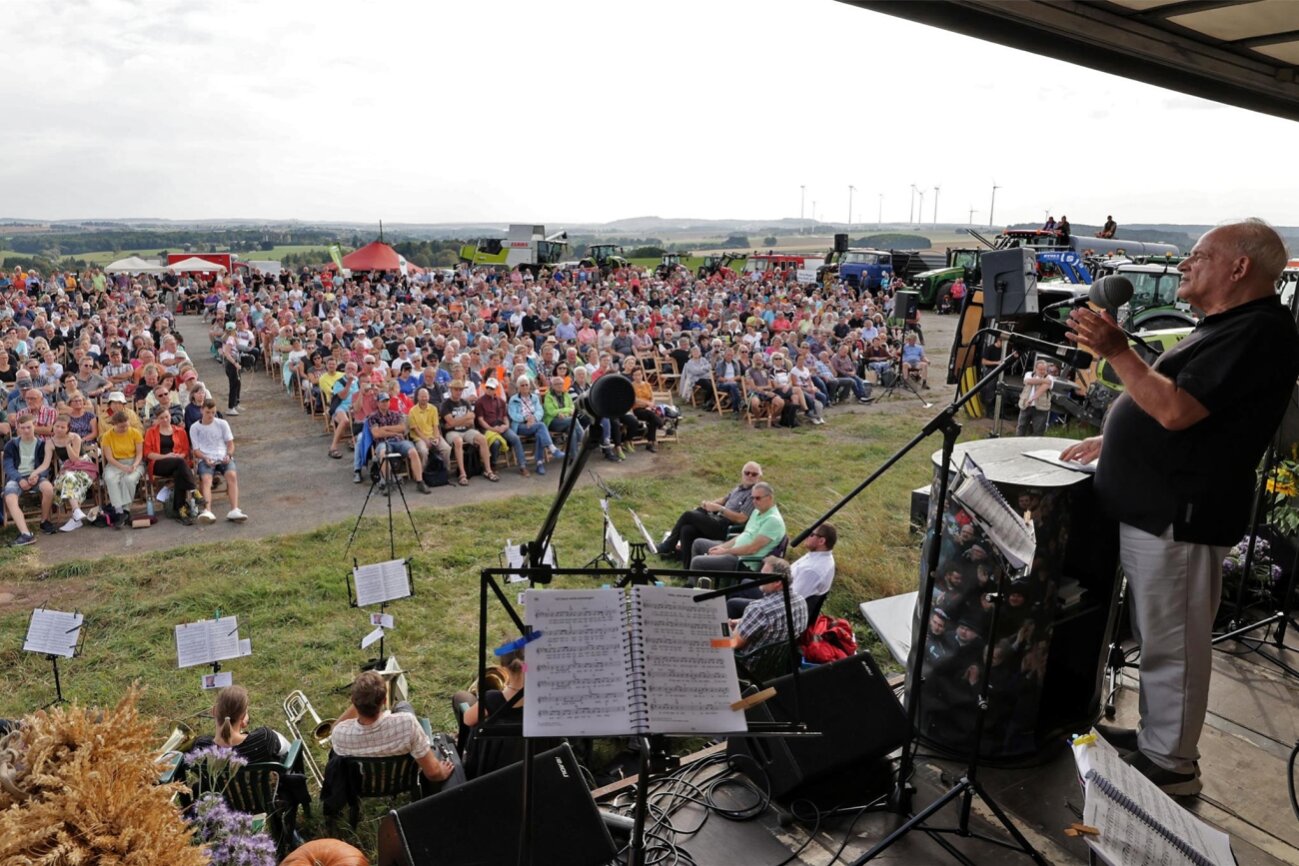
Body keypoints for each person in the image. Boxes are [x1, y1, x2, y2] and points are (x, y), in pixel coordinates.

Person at [1060, 219, 1299, 795]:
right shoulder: (1227, 325)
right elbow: (1172, 407)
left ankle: (1172, 765)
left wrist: (1117, 350)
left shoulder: (1259, 331)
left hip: (1181, 513)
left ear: (1240, 267)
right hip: (1157, 506)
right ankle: (1155, 740)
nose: (1185, 264)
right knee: (1157, 635)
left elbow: (1177, 412)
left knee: (1174, 645)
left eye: (1198, 255)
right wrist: (1113, 437)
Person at [329, 670, 454, 783]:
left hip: (363, 783)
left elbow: (335, 727)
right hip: (402, 781)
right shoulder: (407, 724)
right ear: (384, 701)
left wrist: (361, 698)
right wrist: (441, 772)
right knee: (403, 706)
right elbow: (433, 773)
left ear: (353, 701)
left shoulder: (340, 734)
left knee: (403, 706)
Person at [657, 462, 761, 568]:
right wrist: (709, 504)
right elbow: (724, 500)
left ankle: (668, 546)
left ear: (759, 477)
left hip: (727, 527)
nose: (750, 476)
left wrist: (720, 509)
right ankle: (687, 569)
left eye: (754, 474)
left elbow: (741, 519)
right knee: (687, 530)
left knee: (689, 515)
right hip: (717, 520)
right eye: (747, 473)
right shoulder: (738, 488)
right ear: (742, 474)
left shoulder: (754, 495)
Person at [727, 522, 837, 618]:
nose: (807, 536)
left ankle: (728, 632)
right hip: (781, 592)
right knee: (745, 583)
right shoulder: (820, 556)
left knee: (733, 604)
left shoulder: (812, 571)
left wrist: (770, 588)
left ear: (821, 541)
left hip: (782, 608)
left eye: (812, 534)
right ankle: (740, 624)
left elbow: (791, 601)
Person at [689, 481, 786, 574]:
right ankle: (699, 582)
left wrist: (725, 552)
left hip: (744, 562)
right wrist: (721, 547)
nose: (754, 502)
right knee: (698, 543)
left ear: (769, 498)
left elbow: (752, 549)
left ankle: (697, 589)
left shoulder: (773, 521)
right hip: (734, 552)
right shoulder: (757, 511)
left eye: (758, 498)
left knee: (697, 562)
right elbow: (743, 535)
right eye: (752, 498)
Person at [730, 557, 808, 662]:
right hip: (777, 663)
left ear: (777, 582)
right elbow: (767, 624)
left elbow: (734, 643)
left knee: (712, 643)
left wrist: (726, 630)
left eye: (762, 575)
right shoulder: (801, 601)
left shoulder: (758, 609)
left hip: (748, 665)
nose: (758, 578)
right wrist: (740, 621)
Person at [190, 399, 247, 523]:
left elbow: (230, 444)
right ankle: (208, 510)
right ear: (201, 411)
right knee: (206, 479)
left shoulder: (222, 423)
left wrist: (229, 454)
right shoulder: (195, 428)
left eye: (213, 412)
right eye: (208, 412)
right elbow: (196, 450)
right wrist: (205, 458)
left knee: (232, 475)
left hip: (223, 457)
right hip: (206, 458)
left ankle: (234, 509)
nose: (211, 415)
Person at [143, 404, 203, 522]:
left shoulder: (180, 431)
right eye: (161, 418)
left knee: (178, 472)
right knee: (180, 464)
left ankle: (180, 510)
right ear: (157, 420)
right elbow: (148, 454)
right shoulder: (151, 432)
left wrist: (178, 456)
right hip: (159, 463)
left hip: (178, 463)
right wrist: (166, 456)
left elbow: (185, 451)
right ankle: (193, 490)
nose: (165, 420)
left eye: (166, 417)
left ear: (170, 415)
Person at [3, 417, 54, 544]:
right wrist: (19, 479)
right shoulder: (11, 444)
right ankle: (25, 534)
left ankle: (44, 521)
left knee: (48, 489)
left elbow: (46, 465)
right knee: (9, 497)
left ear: (34, 426)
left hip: (36, 476)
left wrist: (37, 475)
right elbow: (8, 466)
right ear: (18, 428)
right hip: (17, 477)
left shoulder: (42, 444)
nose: (25, 431)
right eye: (22, 427)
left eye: (28, 427)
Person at [369, 391, 430, 495]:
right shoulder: (373, 417)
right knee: (384, 454)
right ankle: (388, 483)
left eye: (387, 401)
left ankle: (420, 481)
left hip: (398, 441)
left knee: (413, 451)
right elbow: (376, 434)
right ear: (378, 403)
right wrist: (394, 433)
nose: (385, 403)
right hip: (383, 442)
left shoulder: (396, 414)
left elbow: (402, 428)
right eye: (382, 401)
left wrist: (385, 428)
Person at [442, 380, 496, 486]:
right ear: (451, 390)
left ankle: (488, 470)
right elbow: (450, 423)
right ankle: (462, 473)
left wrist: (456, 421)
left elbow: (471, 422)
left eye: (460, 390)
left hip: (466, 430)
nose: (458, 392)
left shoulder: (465, 402)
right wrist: (465, 418)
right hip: (451, 432)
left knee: (482, 439)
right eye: (456, 390)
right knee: (458, 441)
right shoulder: (445, 404)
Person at [49, 413, 97, 532]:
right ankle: (76, 514)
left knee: (70, 478)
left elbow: (75, 459)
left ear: (68, 428)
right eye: (57, 426)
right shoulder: (50, 442)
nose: (59, 429)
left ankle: (75, 517)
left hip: (83, 467)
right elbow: (46, 463)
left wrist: (67, 445)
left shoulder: (75, 437)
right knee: (69, 478)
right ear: (53, 426)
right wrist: (35, 473)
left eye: (63, 427)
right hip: (67, 469)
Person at [507, 377, 564, 476]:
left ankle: (539, 464)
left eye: (526, 385)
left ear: (529, 386)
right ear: (518, 388)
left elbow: (540, 411)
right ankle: (552, 448)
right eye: (522, 385)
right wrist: (526, 418)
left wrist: (533, 419)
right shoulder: (514, 399)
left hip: (534, 424)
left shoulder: (534, 397)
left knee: (539, 434)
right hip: (520, 426)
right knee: (541, 426)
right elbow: (513, 415)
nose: (525, 387)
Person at [100, 410, 144, 526]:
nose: (124, 429)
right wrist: (123, 467)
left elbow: (139, 454)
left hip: (134, 461)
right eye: (121, 427)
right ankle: (120, 511)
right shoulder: (107, 436)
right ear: (114, 424)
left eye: (126, 426)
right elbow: (109, 458)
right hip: (115, 463)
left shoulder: (135, 433)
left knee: (128, 480)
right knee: (110, 478)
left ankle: (126, 510)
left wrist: (134, 465)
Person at [1015, 358, 1053, 436]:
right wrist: (1044, 381)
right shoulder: (1029, 374)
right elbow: (1028, 381)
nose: (1042, 371)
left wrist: (1032, 399)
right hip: (1026, 405)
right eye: (1040, 369)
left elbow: (1042, 389)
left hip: (1041, 408)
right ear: (1035, 369)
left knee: (1038, 431)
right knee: (1021, 428)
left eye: (1044, 369)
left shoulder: (1050, 377)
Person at [220, 321, 242, 415]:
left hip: (234, 363)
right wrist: (235, 363)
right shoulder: (230, 339)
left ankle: (236, 403)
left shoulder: (230, 338)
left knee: (237, 383)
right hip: (232, 363)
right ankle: (230, 407)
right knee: (233, 385)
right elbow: (227, 353)